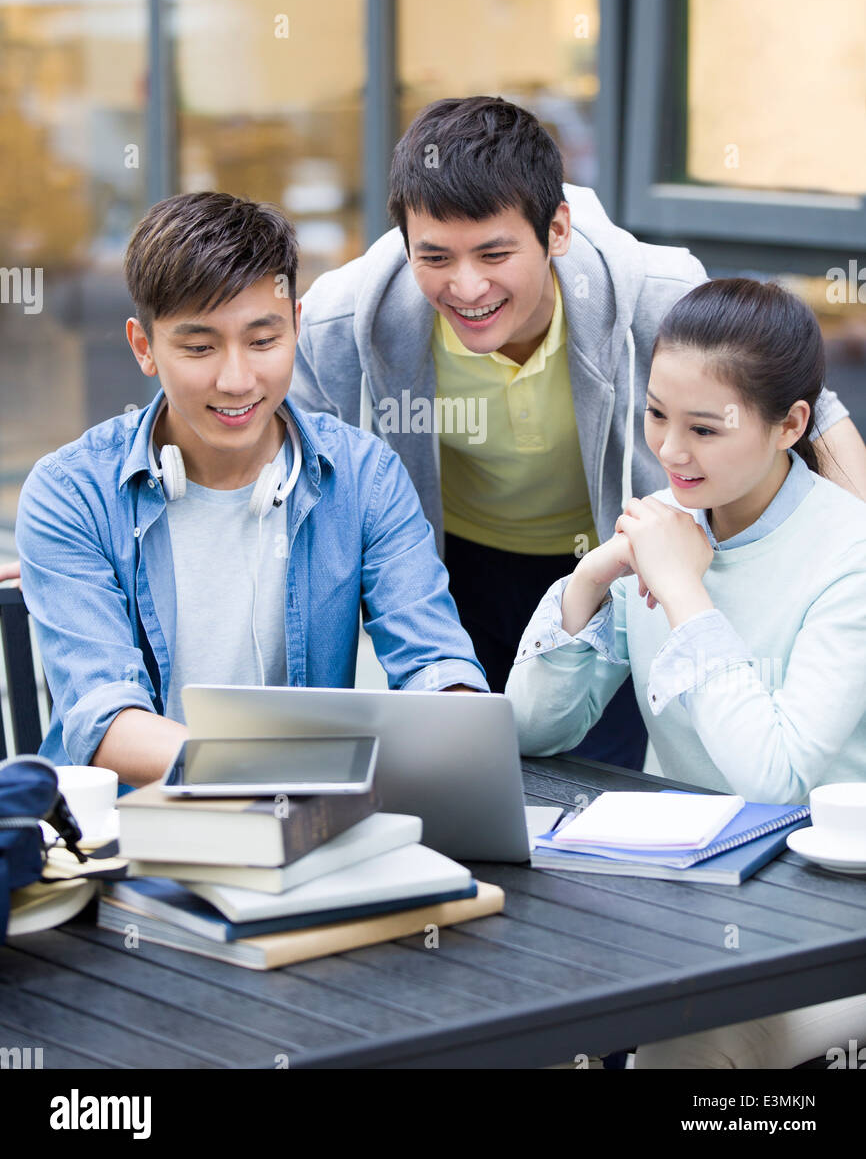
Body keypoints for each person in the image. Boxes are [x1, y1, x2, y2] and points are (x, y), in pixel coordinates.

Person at [290, 96, 866, 771]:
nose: (467, 285)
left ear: (556, 229)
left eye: (495, 252)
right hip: (454, 566)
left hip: (618, 550)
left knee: (606, 769)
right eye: (436, 257)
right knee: (479, 768)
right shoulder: (343, 318)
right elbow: (284, 459)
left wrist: (842, 568)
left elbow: (802, 406)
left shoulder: (658, 292)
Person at [504, 276, 866, 1067]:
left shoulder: (850, 556)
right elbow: (529, 731)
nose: (669, 450)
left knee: (694, 1036)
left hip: (824, 918)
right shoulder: (664, 522)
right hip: (667, 893)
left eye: (704, 427)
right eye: (657, 414)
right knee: (500, 974)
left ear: (790, 424)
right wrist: (591, 581)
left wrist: (683, 592)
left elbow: (778, 778)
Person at [14, 192, 487, 790]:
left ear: (295, 326)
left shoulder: (366, 476)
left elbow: (433, 661)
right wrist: (285, 769)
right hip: (128, 836)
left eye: (262, 341)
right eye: (198, 347)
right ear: (143, 347)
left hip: (304, 823)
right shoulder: (71, 494)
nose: (237, 380)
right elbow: (105, 721)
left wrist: (459, 722)